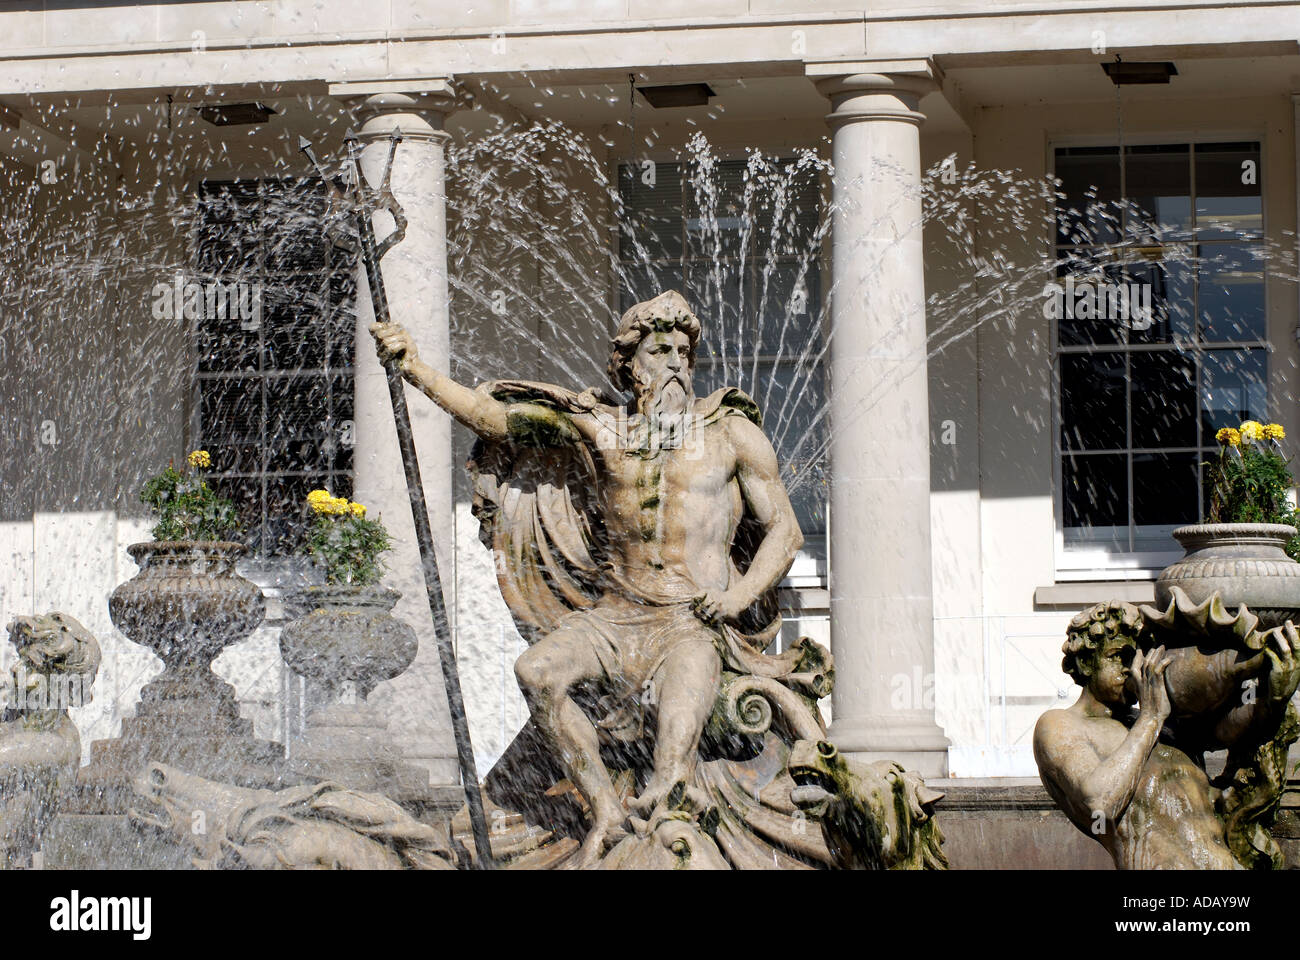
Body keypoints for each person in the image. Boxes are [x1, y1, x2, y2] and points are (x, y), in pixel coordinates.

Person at [372, 289, 804, 866]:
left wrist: (736, 598)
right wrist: (414, 368)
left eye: (683, 350)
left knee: (672, 762)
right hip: (614, 617)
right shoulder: (599, 429)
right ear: (630, 365)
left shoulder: (729, 434)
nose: (676, 362)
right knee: (536, 671)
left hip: (689, 624)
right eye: (659, 350)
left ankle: (669, 838)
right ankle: (603, 810)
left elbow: (786, 532)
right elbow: (494, 418)